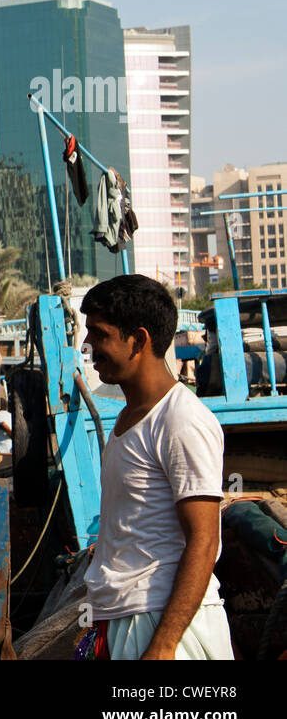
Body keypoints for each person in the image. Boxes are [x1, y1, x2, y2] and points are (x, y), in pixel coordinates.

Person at [80, 274, 233, 660]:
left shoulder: (181, 420)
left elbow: (205, 540)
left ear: (140, 339)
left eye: (100, 335)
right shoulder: (128, 419)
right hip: (126, 617)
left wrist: (164, 646)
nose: (89, 346)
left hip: (164, 626)